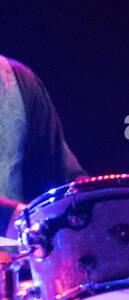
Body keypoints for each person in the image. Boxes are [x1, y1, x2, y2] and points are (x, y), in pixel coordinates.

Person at [0, 55, 84, 219]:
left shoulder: (19, 79)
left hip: (14, 243)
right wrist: (10, 218)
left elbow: (61, 174)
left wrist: (103, 206)